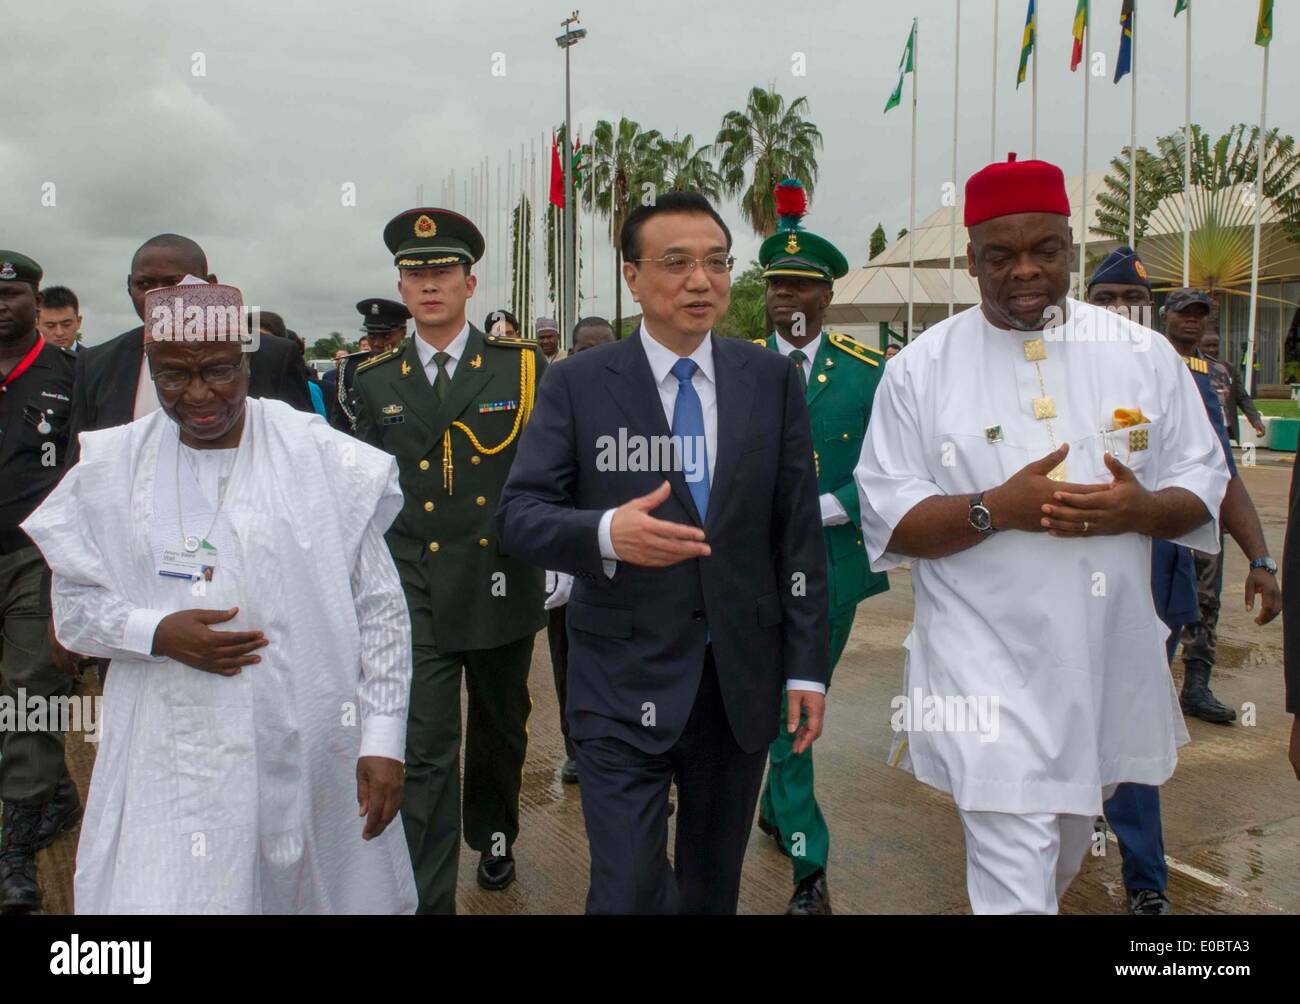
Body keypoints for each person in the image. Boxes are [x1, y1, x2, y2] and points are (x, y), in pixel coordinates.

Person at [855, 156, 1230, 915]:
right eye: (1001, 255)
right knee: (1017, 876)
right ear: (971, 261)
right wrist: (997, 507)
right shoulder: (920, 371)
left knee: (1057, 848)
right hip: (978, 670)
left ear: (1071, 249)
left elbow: (1205, 486)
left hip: (1103, 663)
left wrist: (1139, 513)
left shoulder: (1142, 355)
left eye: (1045, 250)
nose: (1024, 270)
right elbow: (890, 515)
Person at [21, 277, 417, 914]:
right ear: (151, 368)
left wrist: (381, 738)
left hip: (306, 746)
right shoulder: (112, 467)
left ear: (246, 359)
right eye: (174, 377)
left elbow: (380, 610)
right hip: (169, 757)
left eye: (218, 371)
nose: (199, 395)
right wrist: (156, 634)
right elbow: (74, 612)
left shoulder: (317, 456)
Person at [498, 191, 829, 915]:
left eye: (716, 263)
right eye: (676, 263)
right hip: (620, 681)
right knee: (626, 889)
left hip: (735, 681)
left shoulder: (769, 380)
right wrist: (606, 534)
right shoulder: (577, 384)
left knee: (712, 889)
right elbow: (518, 518)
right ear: (632, 276)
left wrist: (805, 666)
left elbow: (796, 531)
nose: (700, 281)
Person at [351, 207, 547, 913]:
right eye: (415, 273)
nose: (428, 284)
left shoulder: (521, 367)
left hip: (500, 578)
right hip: (415, 586)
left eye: (441, 272)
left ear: (469, 282)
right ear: (402, 288)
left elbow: (545, 470)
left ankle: (495, 838)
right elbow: (365, 491)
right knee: (426, 748)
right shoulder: (373, 379)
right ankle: (426, 899)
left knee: (499, 730)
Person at [1086, 247, 1278, 914]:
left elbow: (1220, 478)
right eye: (1105, 300)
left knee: (1133, 723)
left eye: (1130, 301)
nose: (1119, 313)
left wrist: (1260, 559)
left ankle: (1144, 884)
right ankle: (1074, 815)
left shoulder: (1177, 378)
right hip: (1068, 591)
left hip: (1152, 587)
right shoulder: (1055, 374)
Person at [750, 180, 888, 915]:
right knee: (781, 712)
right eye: (775, 284)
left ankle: (794, 834)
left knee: (796, 709)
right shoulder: (733, 368)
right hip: (750, 575)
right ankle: (802, 842)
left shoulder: (868, 376)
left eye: (800, 284)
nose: (784, 297)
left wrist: (837, 506)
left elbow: (900, 470)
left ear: (827, 295)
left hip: (832, 571)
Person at [68, 234, 313, 460]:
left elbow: (302, 451)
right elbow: (82, 465)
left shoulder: (272, 357)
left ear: (210, 284)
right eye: (144, 284)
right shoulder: (96, 364)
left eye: (174, 283)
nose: (158, 296)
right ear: (129, 287)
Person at [0, 252, 79, 913]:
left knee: (32, 690)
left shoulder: (71, 376)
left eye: (13, 292)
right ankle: (54, 792)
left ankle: (14, 849)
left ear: (33, 299)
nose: (1, 304)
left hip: (36, 554)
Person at [1161, 289, 1280, 724]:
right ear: (1165, 317)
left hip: (1205, 506)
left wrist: (1261, 559)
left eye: (1200, 316)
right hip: (1152, 518)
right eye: (1184, 314)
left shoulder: (1214, 373)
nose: (1193, 323)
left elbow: (1224, 470)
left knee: (1205, 598)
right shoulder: (1146, 364)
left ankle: (1196, 684)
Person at [543, 316, 616, 786]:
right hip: (569, 555)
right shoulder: (555, 396)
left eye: (603, 347)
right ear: (571, 350)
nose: (594, 355)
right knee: (567, 658)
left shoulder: (640, 393)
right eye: (584, 348)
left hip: (627, 553)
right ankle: (576, 748)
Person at [331, 298, 410, 433]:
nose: (378, 343)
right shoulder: (351, 366)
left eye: (386, 336)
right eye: (372, 336)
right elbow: (340, 417)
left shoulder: (413, 364)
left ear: (403, 333)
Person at [1202, 328, 1265, 442]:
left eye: (1215, 345)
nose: (1211, 349)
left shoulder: (1228, 368)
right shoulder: (1189, 368)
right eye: (1207, 346)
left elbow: (1242, 397)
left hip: (1225, 428)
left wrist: (1255, 420)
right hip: (1202, 428)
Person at [36, 285, 83, 351]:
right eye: (50, 326)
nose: (59, 333)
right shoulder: (28, 360)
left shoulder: (93, 360)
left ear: (78, 322)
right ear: (36, 324)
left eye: (67, 325)